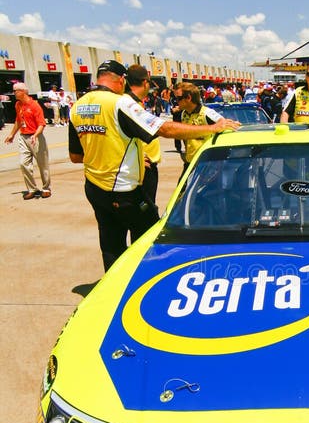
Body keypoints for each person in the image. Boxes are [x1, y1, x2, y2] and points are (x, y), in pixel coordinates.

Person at [69, 60, 239, 271]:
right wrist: (213, 129)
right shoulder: (120, 103)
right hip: (124, 190)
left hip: (94, 188)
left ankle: (115, 282)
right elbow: (164, 129)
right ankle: (146, 278)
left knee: (111, 242)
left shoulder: (78, 106)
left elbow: (76, 156)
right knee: (150, 237)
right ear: (121, 80)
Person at [4, 82, 52, 199]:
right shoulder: (18, 105)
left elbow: (41, 124)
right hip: (23, 137)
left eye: (15, 91)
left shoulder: (34, 106)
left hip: (35, 137)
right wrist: (12, 134)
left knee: (42, 164)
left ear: (23, 92)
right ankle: (32, 189)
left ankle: (46, 188)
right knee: (23, 163)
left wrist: (35, 135)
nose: (14, 93)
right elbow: (18, 121)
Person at [173, 81, 226, 178]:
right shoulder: (184, 114)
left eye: (178, 98)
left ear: (188, 98)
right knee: (182, 187)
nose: (176, 101)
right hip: (190, 163)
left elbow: (224, 125)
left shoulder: (207, 113)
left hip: (207, 165)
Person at [126, 64, 161, 204]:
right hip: (142, 167)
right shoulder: (129, 104)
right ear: (145, 82)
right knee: (147, 208)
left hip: (145, 163)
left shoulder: (134, 102)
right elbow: (164, 129)